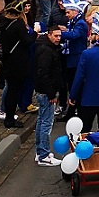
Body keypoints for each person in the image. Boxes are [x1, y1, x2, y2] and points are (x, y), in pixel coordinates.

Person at [0, 1, 35, 129]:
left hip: (7, 62)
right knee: (14, 91)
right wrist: (35, 32)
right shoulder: (18, 24)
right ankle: (9, 119)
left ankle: (9, 116)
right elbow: (27, 40)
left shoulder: (4, 23)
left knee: (11, 90)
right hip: (17, 63)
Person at [33, 20, 66, 166]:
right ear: (49, 35)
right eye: (56, 36)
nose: (58, 38)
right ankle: (44, 155)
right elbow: (44, 74)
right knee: (46, 122)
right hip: (46, 93)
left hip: (43, 91)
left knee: (41, 121)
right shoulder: (47, 51)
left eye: (60, 36)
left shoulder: (45, 47)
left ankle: (40, 151)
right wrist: (52, 94)